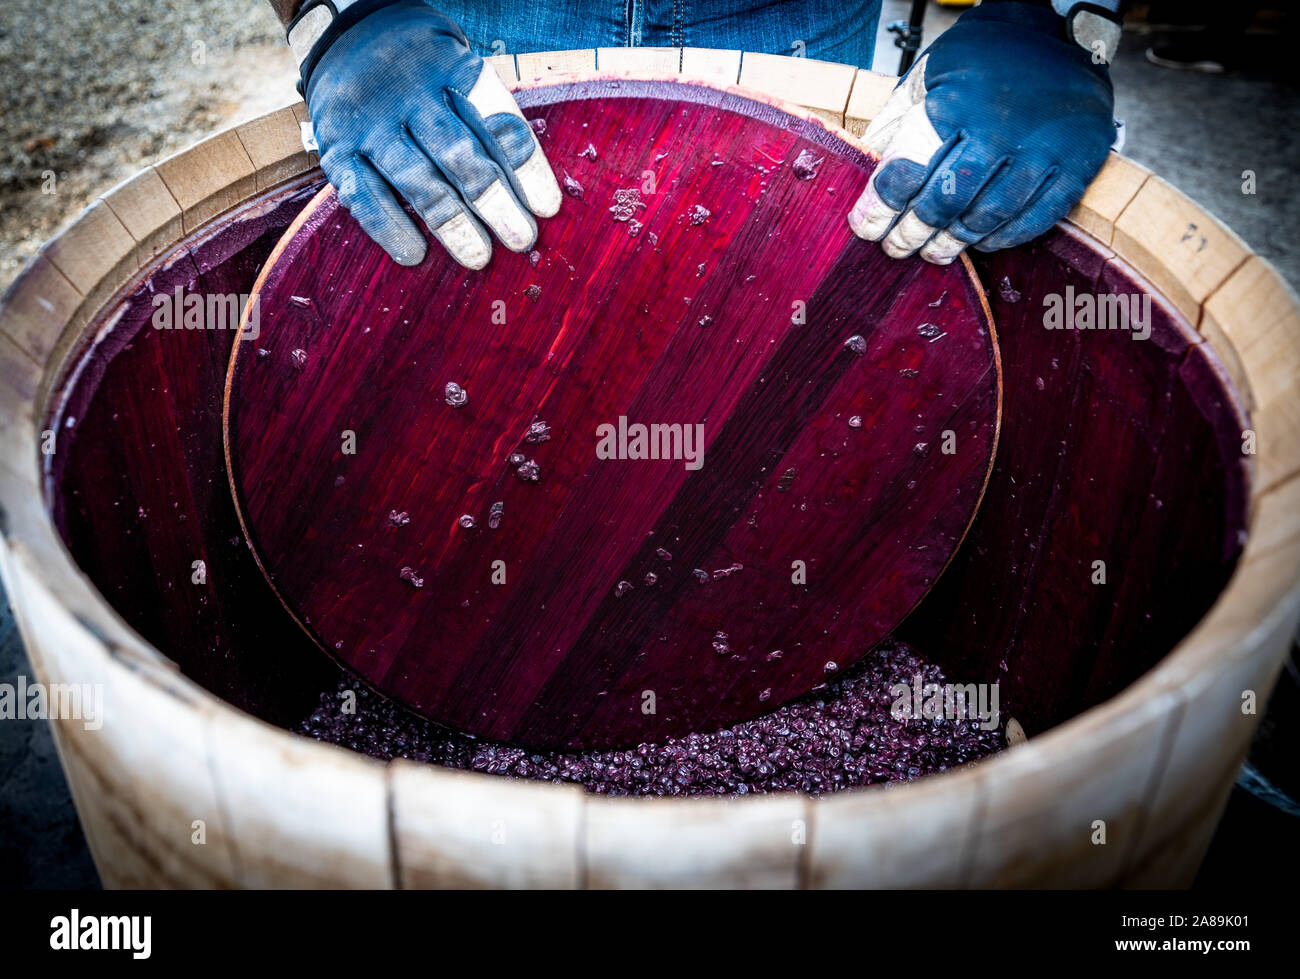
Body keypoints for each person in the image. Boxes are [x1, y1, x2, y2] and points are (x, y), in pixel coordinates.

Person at [266, 0, 1122, 269]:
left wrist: (1054, 17)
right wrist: (336, 17)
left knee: (763, 352)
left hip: (792, 26)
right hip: (479, 27)